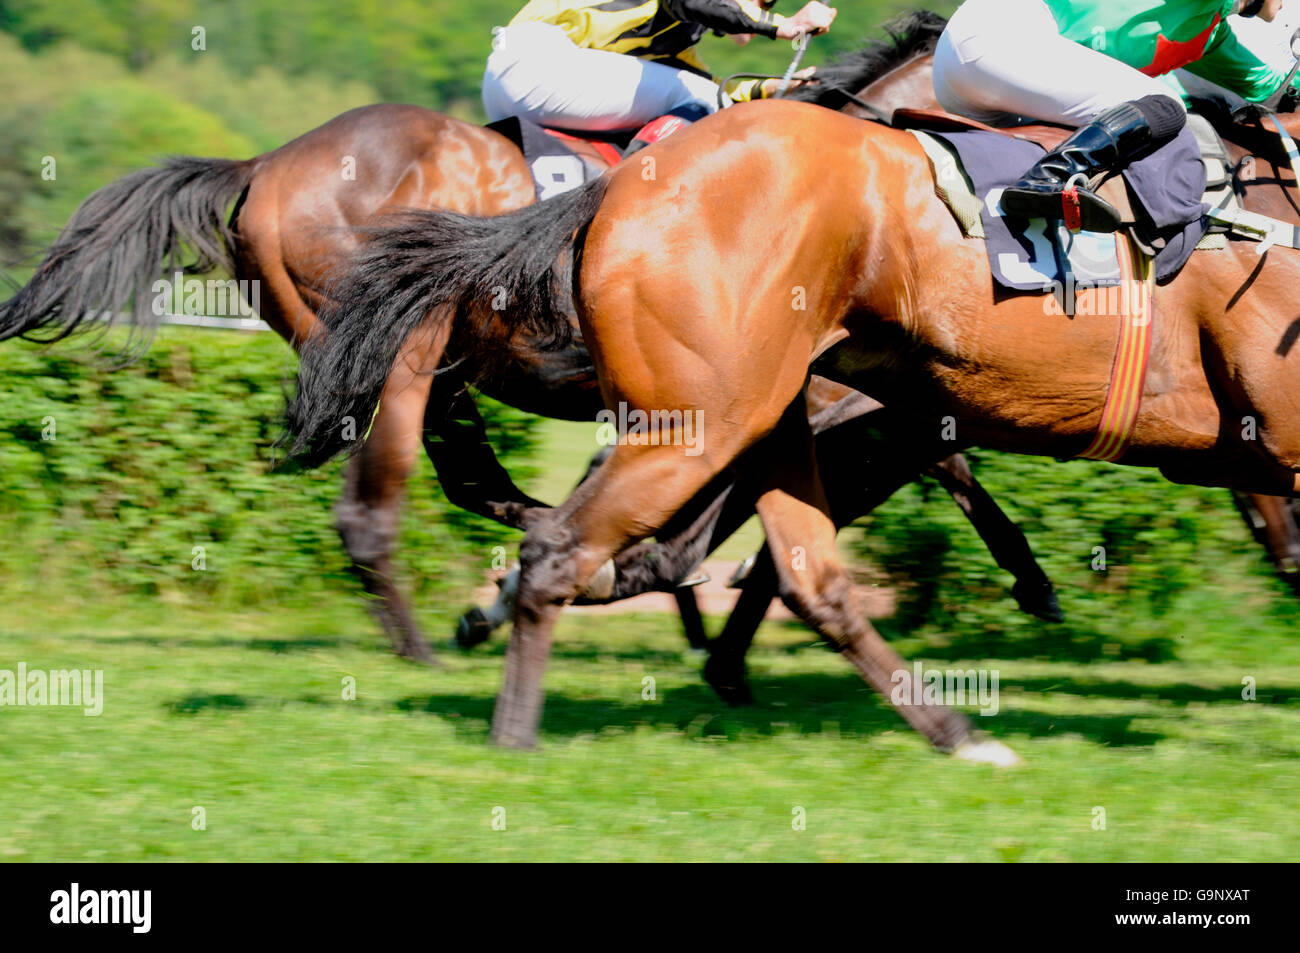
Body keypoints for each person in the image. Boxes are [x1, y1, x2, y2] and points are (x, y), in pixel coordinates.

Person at [932, 0, 1295, 231]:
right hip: (1001, 38)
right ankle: (1048, 181)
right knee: (1165, 105)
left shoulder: (1210, 32)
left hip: (972, 75)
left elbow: (1269, 87)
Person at [482, 0, 836, 150]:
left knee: (701, 97)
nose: (762, 8)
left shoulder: (673, 36)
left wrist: (778, 87)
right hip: (540, 66)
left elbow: (716, 92)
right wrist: (784, 25)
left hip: (510, 84)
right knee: (697, 99)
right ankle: (643, 192)